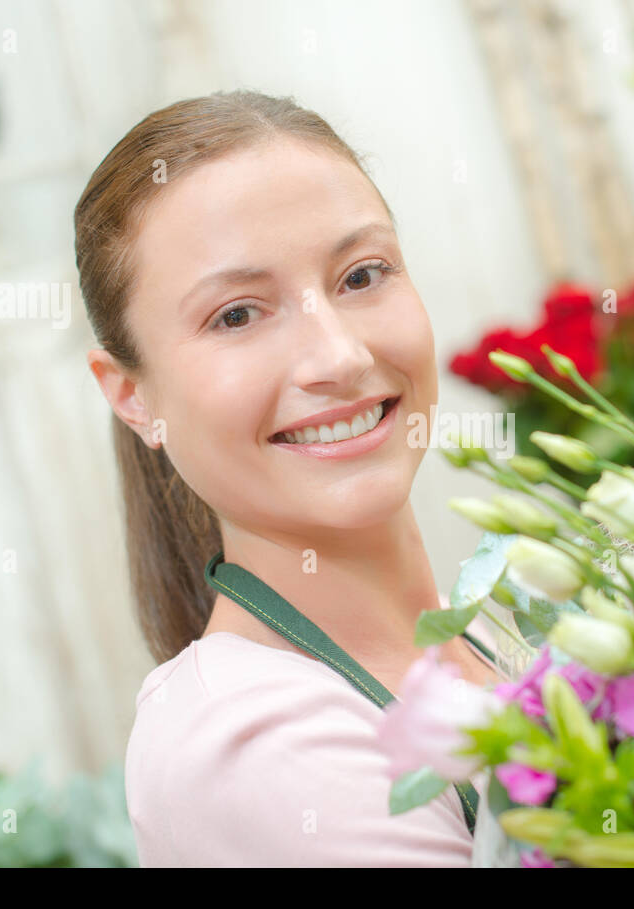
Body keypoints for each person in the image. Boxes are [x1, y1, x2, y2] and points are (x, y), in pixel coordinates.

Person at [75, 89, 500, 866]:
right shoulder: (253, 741)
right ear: (132, 395)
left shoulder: (483, 628)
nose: (338, 355)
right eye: (237, 314)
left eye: (362, 274)